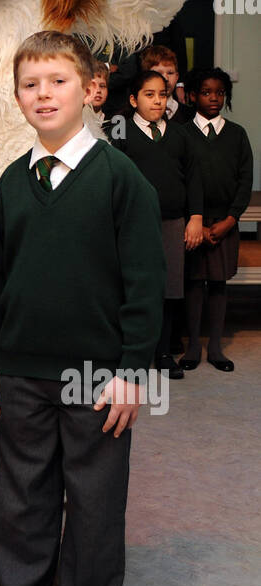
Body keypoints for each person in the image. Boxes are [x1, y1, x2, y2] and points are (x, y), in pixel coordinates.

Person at [0, 31, 164, 586]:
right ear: (17, 95)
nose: (42, 94)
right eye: (30, 84)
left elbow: (144, 285)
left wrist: (130, 369)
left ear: (89, 89)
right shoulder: (12, 180)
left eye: (57, 81)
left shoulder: (122, 180)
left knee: (92, 505)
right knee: (20, 503)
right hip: (24, 371)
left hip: (97, 375)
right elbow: (0, 279)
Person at [111, 69, 203, 379]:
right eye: (149, 95)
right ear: (134, 99)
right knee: (133, 287)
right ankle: (131, 355)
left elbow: (194, 179)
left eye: (162, 95)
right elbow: (114, 177)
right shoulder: (121, 131)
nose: (157, 101)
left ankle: (163, 353)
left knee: (169, 289)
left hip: (172, 222)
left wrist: (195, 218)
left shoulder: (180, 134)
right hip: (133, 223)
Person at [181, 67, 254, 373]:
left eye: (220, 92)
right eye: (207, 92)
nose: (214, 98)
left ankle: (215, 348)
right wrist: (193, 220)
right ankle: (193, 348)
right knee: (194, 283)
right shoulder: (182, 134)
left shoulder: (237, 135)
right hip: (193, 222)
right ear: (193, 95)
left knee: (219, 283)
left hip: (225, 222)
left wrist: (230, 220)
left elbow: (245, 179)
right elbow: (179, 179)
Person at [140, 44, 192, 125]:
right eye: (158, 73)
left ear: (177, 77)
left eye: (170, 73)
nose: (166, 78)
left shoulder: (191, 116)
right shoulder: (133, 114)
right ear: (146, 76)